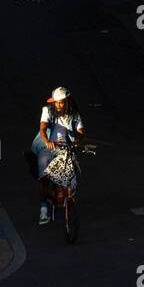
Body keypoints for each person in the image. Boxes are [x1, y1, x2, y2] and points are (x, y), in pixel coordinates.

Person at [31, 87, 85, 225]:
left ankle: (69, 195)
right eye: (57, 102)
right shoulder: (47, 110)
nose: (59, 105)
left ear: (67, 102)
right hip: (50, 146)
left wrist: (79, 138)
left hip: (67, 147)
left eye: (61, 102)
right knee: (43, 168)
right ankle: (43, 209)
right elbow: (42, 129)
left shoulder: (74, 114)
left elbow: (80, 130)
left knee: (74, 167)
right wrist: (47, 141)